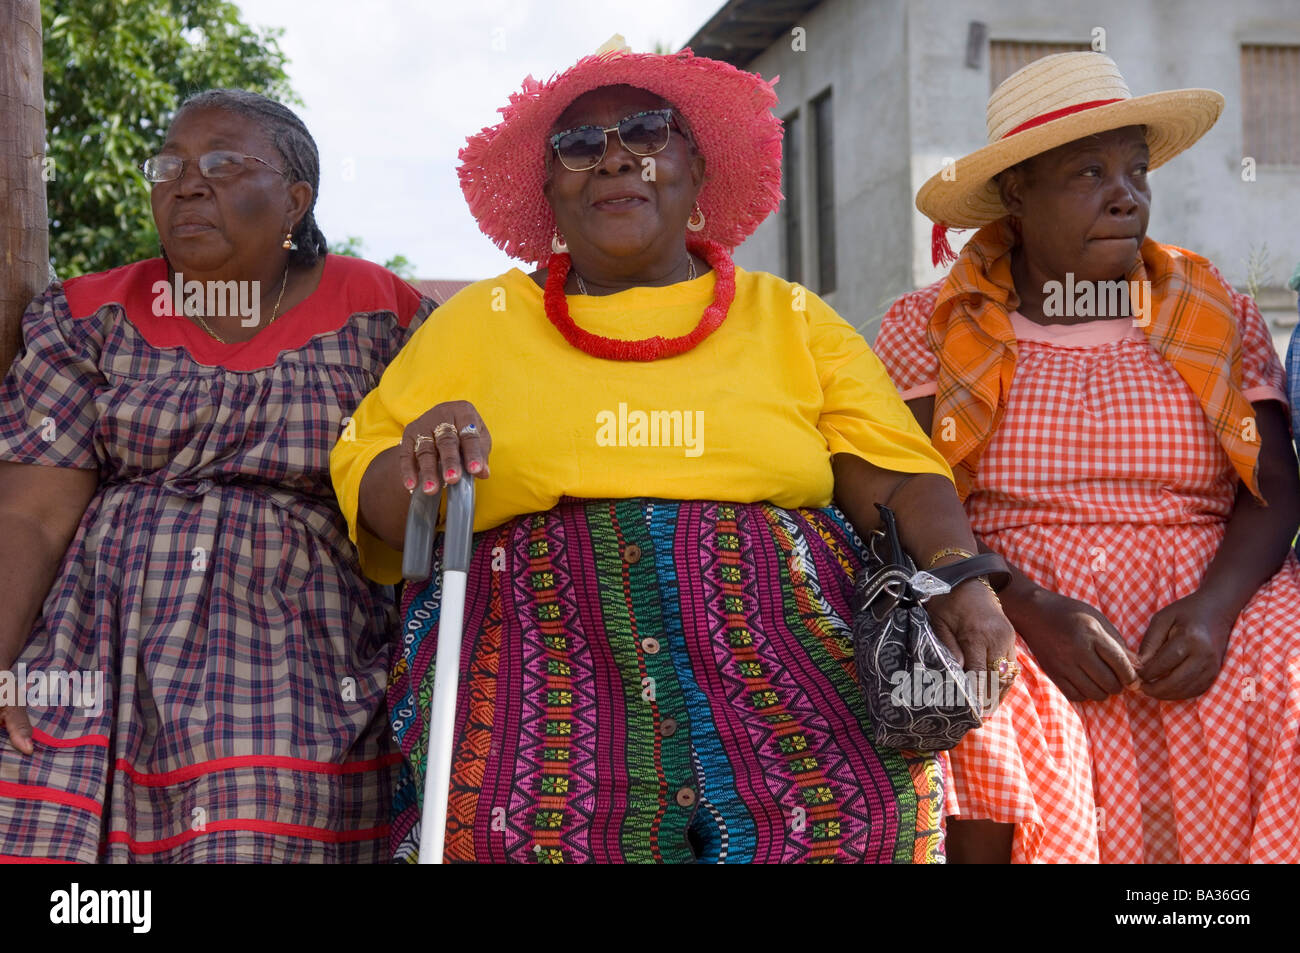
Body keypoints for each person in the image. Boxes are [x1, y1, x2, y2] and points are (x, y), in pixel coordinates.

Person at [331, 36, 1016, 864]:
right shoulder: (480, 322)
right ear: (550, 191)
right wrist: (424, 460)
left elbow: (895, 475)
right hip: (543, 666)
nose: (616, 160)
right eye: (580, 147)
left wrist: (960, 577)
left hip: (792, 663)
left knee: (871, 827)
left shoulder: (789, 316)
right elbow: (374, 482)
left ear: (694, 174)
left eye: (648, 134)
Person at [874, 52, 1300, 864]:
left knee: (1292, 678)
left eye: (1138, 170)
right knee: (977, 696)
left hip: (1211, 593)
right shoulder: (933, 324)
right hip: (1007, 590)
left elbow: (1274, 486)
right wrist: (1025, 607)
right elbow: (902, 490)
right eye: (1088, 172)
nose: (1126, 194)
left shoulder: (1214, 311)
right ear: (1016, 195)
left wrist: (1214, 611)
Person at [0, 89, 431, 862]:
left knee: (250, 826)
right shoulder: (90, 313)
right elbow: (31, 514)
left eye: (224, 164)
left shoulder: (381, 314)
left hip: (294, 648)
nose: (186, 183)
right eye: (169, 165)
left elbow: (416, 494)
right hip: (93, 642)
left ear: (297, 198)